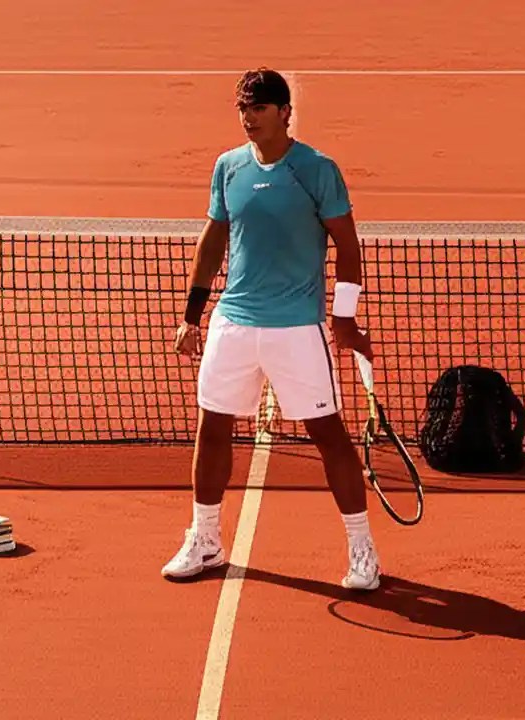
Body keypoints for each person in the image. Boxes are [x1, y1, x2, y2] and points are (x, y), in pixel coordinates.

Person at [162, 68, 381, 591]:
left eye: (258, 108)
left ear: (285, 112)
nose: (248, 117)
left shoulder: (317, 170)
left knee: (328, 436)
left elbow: (348, 248)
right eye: (242, 108)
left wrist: (344, 317)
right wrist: (192, 314)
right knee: (212, 426)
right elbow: (214, 239)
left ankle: (362, 550)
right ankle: (206, 539)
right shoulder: (228, 168)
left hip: (295, 330)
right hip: (233, 324)